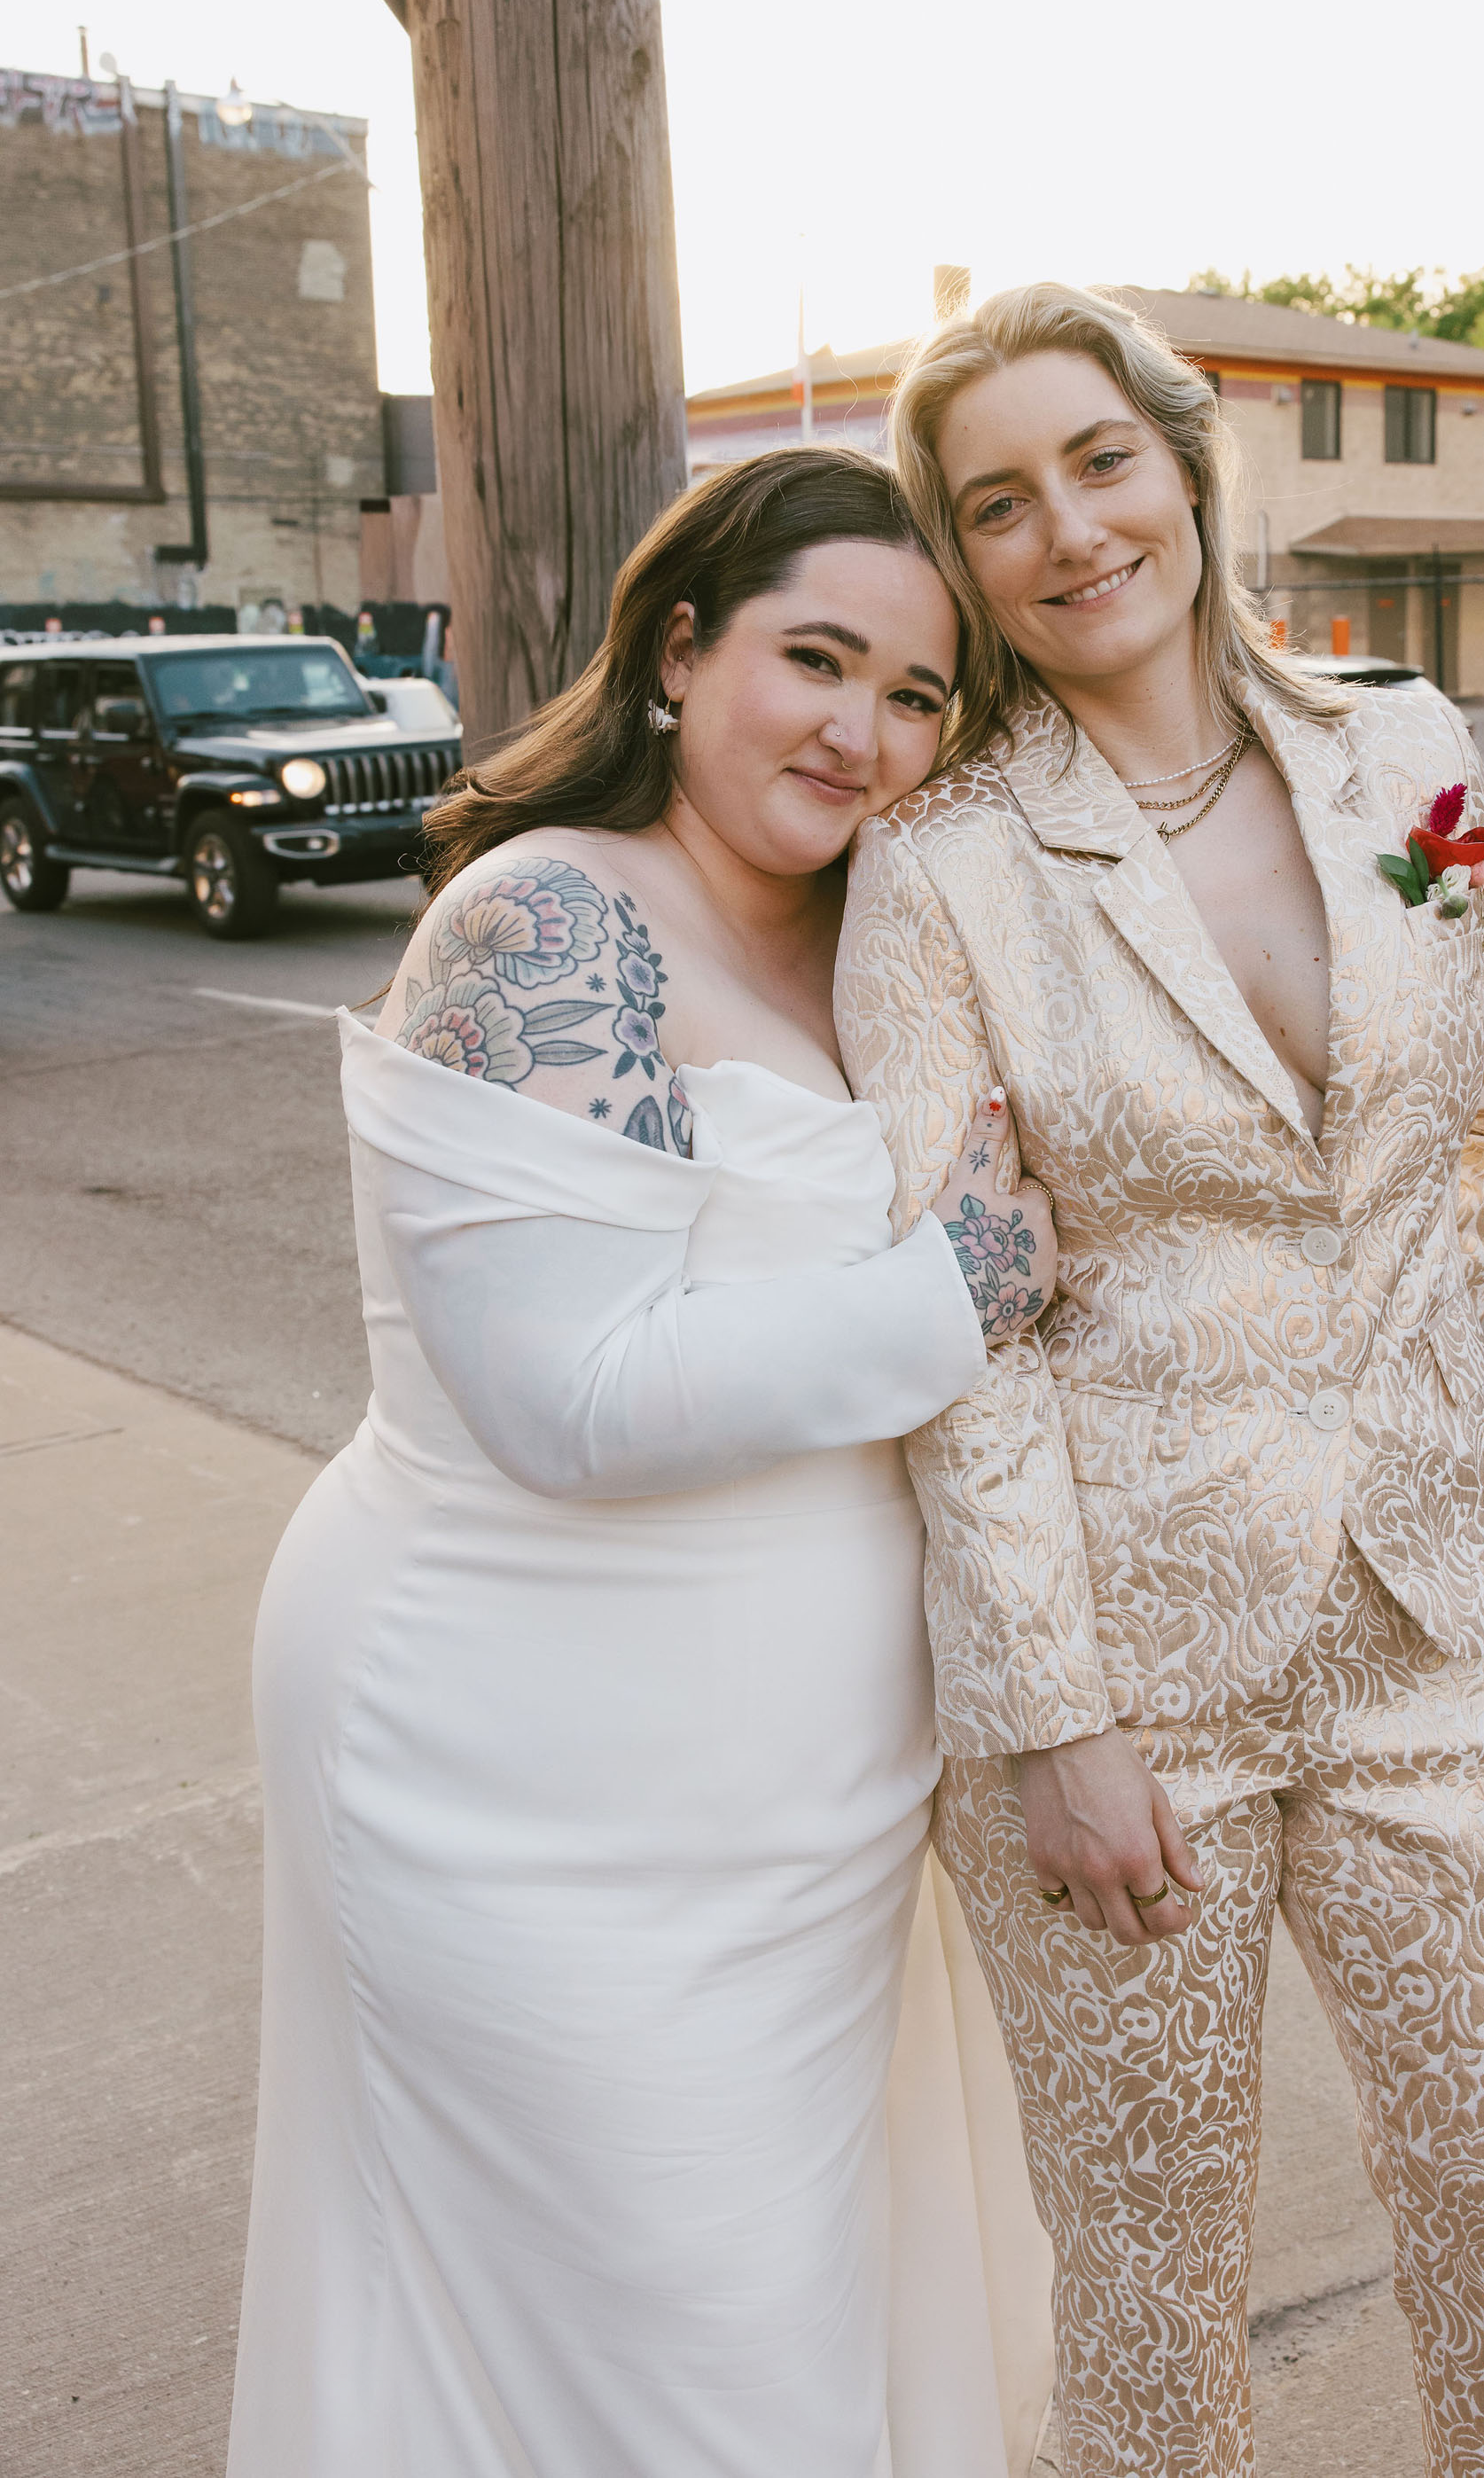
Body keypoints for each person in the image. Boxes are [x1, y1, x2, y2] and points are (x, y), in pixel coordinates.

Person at [837, 283, 1484, 2477]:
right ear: (964, 558)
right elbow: (954, 1319)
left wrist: (1373, 1344)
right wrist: (1053, 1719)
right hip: (1124, 1690)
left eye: (1096, 462)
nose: (1067, 530)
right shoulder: (944, 866)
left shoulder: (1407, 756)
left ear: (1182, 462)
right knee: (1155, 2295)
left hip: (1437, 1634)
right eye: (997, 505)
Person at [227, 447, 1058, 2478]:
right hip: (521, 1770)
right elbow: (570, 1397)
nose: (863, 731)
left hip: (803, 1800)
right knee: (675, 2352)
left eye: (919, 694)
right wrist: (966, 1283)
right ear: (682, 649)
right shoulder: (547, 920)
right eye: (817, 659)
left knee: (785, 2314)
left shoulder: (880, 934)